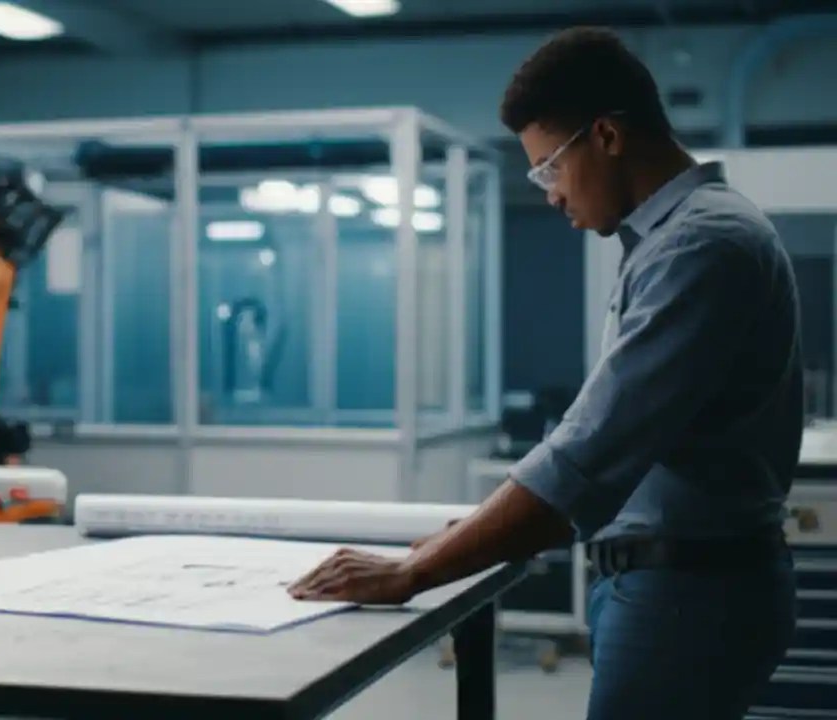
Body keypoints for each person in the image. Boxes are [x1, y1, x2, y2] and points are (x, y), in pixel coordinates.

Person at [288, 26, 801, 719]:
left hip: (690, 594)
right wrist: (462, 535)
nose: (550, 194)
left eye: (550, 167)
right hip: (673, 583)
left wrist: (417, 570)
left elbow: (590, 451)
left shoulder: (701, 246)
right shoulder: (668, 243)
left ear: (607, 137)